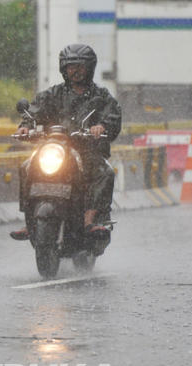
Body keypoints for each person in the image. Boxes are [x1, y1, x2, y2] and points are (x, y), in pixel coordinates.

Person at [10, 43, 122, 241]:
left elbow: (112, 115)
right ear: (64, 69)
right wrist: (25, 126)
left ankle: (90, 219)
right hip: (55, 149)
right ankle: (29, 220)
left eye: (80, 66)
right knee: (26, 167)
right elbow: (34, 111)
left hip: (86, 151)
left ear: (89, 68)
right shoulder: (53, 94)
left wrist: (101, 127)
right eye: (71, 66)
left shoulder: (101, 96)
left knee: (105, 172)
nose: (75, 71)